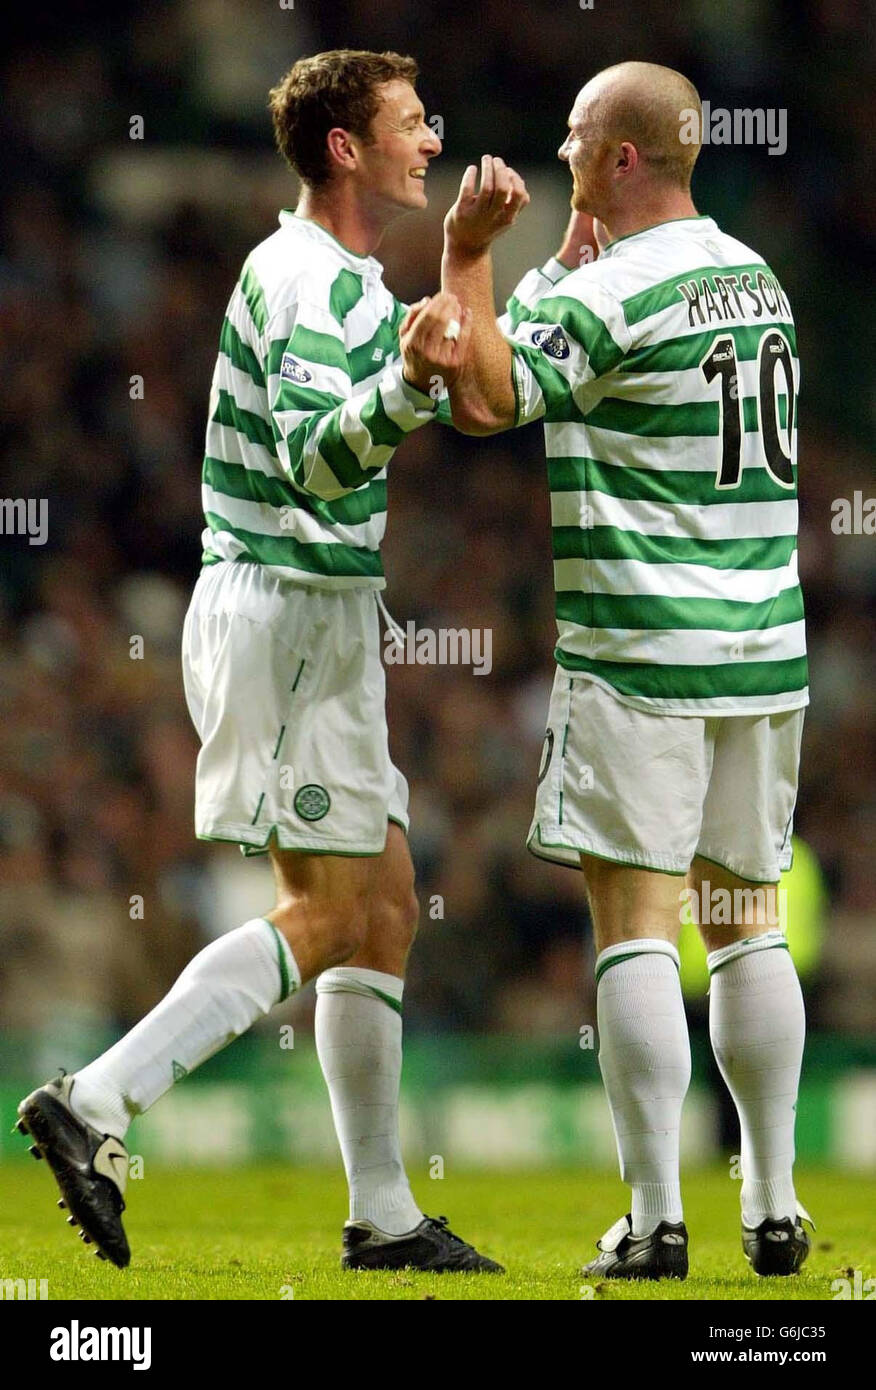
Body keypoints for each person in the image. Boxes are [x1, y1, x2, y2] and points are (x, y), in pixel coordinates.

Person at [17, 48, 530, 1274]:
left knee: (388, 905)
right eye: (412, 123)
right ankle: (96, 1099)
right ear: (346, 147)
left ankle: (383, 1214)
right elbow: (310, 459)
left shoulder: (332, 273)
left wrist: (448, 300)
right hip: (286, 614)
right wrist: (409, 385)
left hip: (320, 619)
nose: (429, 139)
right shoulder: (312, 280)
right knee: (339, 909)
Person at [402, 60, 810, 1280]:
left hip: (642, 655)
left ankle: (656, 1218)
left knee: (635, 926)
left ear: (622, 158)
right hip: (763, 649)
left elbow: (482, 400)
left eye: (578, 135)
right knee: (744, 923)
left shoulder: (613, 294)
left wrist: (466, 255)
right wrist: (554, 285)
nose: (562, 149)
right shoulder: (758, 277)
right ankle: (775, 1205)